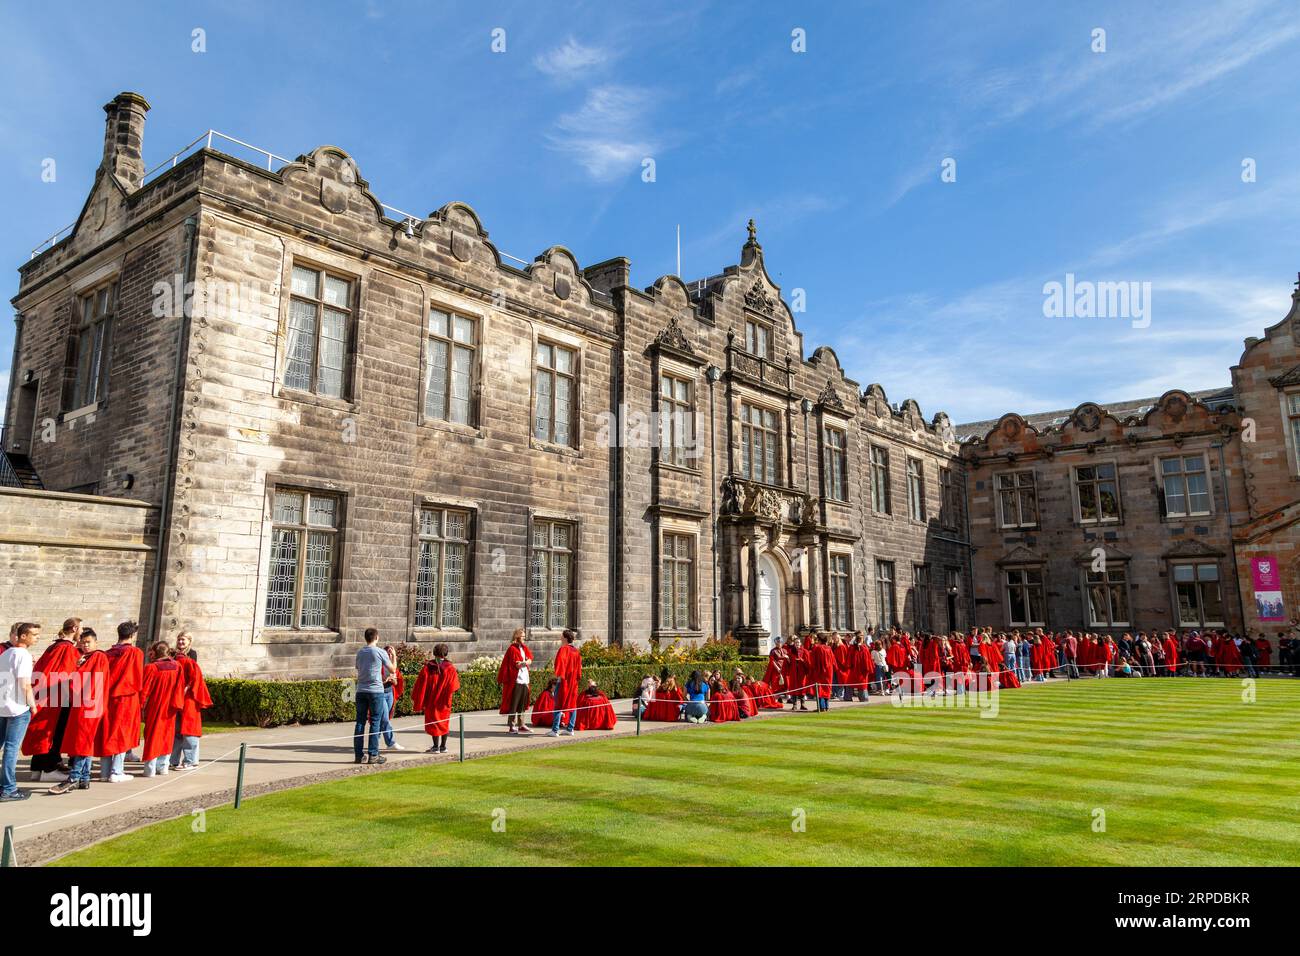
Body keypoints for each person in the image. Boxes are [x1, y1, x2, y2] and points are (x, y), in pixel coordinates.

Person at [48, 627, 109, 794]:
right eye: (83, 643)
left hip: (89, 705)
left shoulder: (98, 657)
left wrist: (75, 669)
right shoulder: (88, 657)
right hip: (84, 704)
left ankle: (73, 778)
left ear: (96, 642)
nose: (85, 645)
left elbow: (84, 680)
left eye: (88, 642)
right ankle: (84, 778)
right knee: (85, 742)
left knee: (82, 742)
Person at [22, 617, 81, 781]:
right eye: (80, 630)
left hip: (44, 693)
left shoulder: (53, 645)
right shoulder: (67, 649)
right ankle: (48, 770)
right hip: (56, 696)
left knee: (43, 732)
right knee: (51, 733)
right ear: (75, 629)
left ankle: (37, 769)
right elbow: (67, 675)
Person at [96, 621, 143, 783]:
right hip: (125, 698)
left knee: (107, 733)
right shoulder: (134, 652)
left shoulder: (107, 653)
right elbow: (137, 679)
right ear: (132, 635)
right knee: (122, 734)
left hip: (107, 697)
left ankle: (104, 772)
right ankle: (116, 771)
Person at [0, 623, 39, 802]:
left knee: (6, 747)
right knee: (11, 748)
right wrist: (32, 705)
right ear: (23, 636)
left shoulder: (6, 653)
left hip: (3, 706)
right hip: (17, 708)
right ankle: (8, 788)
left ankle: (5, 786)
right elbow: (25, 684)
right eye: (34, 635)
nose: (37, 638)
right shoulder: (22, 655)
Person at [139, 642, 185, 777]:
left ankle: (150, 769)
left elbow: (144, 691)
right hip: (170, 707)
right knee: (167, 736)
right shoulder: (177, 666)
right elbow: (180, 688)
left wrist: (140, 707)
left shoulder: (152, 668)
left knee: (153, 736)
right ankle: (163, 767)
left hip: (155, 706)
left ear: (155, 652)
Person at [172, 637, 213, 770]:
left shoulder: (189, 659)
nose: (180, 642)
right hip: (177, 698)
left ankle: (189, 760)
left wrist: (186, 688)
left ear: (189, 642)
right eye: (179, 639)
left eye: (183, 640)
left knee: (188, 730)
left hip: (188, 699)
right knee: (176, 730)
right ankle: (173, 760)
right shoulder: (174, 657)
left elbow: (194, 678)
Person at [411, 643, 459, 753]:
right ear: (445, 654)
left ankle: (435, 747)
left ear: (434, 653)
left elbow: (420, 684)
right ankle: (443, 747)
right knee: (444, 723)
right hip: (444, 702)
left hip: (431, 701)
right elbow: (454, 686)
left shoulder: (428, 668)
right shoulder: (450, 668)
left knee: (434, 723)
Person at [353, 628, 391, 765]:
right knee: (375, 722)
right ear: (377, 637)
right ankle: (373, 755)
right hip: (376, 691)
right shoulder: (380, 652)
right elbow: (392, 669)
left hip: (361, 690)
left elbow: (358, 667)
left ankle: (358, 755)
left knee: (360, 722)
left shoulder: (360, 652)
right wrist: (394, 658)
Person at [497, 628, 533, 734]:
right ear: (517, 637)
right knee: (514, 703)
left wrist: (525, 662)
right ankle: (512, 725)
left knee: (522, 703)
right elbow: (515, 665)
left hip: (525, 679)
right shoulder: (512, 649)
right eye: (522, 637)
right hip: (516, 680)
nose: (524, 638)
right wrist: (524, 662)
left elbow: (530, 659)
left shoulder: (524, 648)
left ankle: (521, 724)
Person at [549, 629, 582, 737]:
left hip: (564, 681)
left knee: (558, 704)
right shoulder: (576, 651)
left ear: (565, 638)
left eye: (562, 636)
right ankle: (570, 728)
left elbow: (560, 664)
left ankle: (555, 730)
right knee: (572, 705)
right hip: (574, 682)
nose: (560, 638)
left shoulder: (563, 649)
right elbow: (579, 669)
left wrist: (559, 676)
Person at [379, 645, 406, 751]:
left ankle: (375, 740)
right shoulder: (379, 665)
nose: (389, 655)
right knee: (384, 718)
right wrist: (385, 680)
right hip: (380, 693)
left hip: (389, 692)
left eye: (391, 654)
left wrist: (393, 680)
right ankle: (391, 743)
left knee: (385, 718)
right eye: (388, 653)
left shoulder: (392, 666)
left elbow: (396, 682)